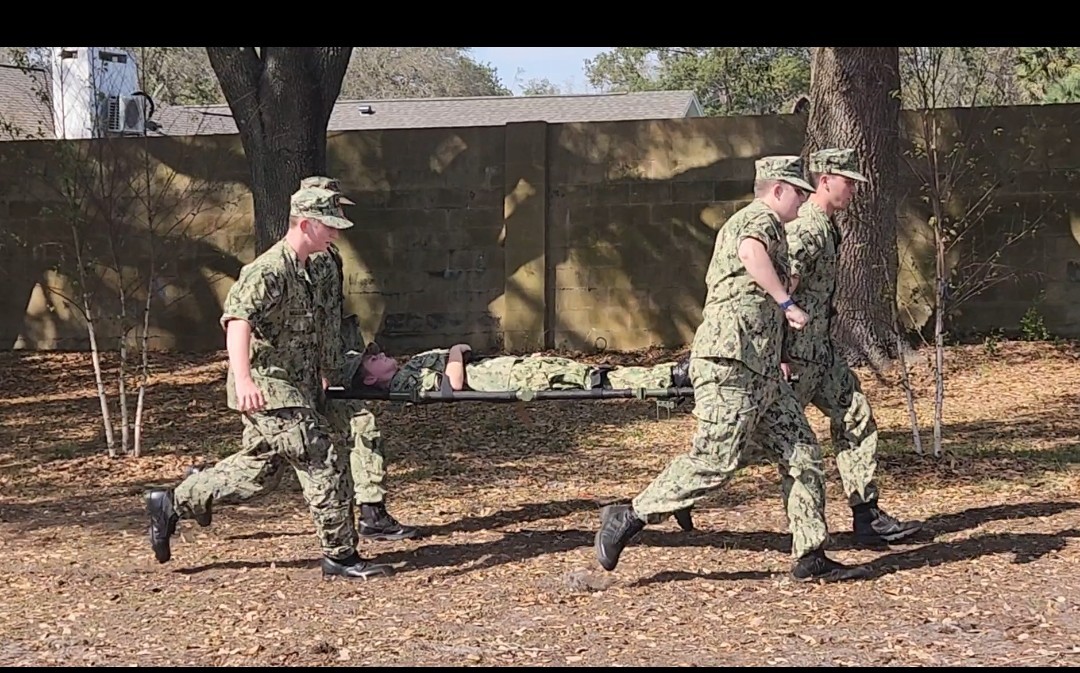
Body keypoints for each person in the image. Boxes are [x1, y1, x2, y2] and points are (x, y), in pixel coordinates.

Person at [592, 155, 873, 583]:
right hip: (729, 364)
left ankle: (810, 554)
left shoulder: (780, 226)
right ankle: (628, 516)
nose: (804, 199)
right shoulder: (755, 220)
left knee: (802, 455)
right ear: (777, 190)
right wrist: (786, 302)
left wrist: (782, 347)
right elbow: (750, 253)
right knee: (715, 461)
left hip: (760, 369)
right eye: (798, 191)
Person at [144, 186, 394, 580]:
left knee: (258, 472)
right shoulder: (269, 270)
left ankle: (172, 502)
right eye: (330, 226)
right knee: (321, 459)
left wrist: (328, 370)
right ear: (307, 224)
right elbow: (238, 321)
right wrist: (243, 379)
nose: (336, 233)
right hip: (269, 388)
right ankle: (340, 556)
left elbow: (324, 323)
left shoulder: (319, 264)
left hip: (302, 385)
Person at [781, 148, 921, 543]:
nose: (853, 192)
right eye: (848, 183)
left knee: (855, 414)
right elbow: (778, 295)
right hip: (795, 357)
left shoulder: (827, 226)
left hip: (821, 356)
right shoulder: (806, 230)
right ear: (825, 180)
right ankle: (660, 504)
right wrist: (778, 354)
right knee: (746, 446)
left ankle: (866, 515)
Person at [347, 341, 691, 394]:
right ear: (372, 377)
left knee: (588, 374)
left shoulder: (409, 369)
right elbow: (452, 385)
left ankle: (668, 374)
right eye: (374, 359)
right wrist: (455, 351)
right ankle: (670, 375)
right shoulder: (404, 383)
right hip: (504, 378)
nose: (381, 355)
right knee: (594, 378)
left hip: (505, 368)